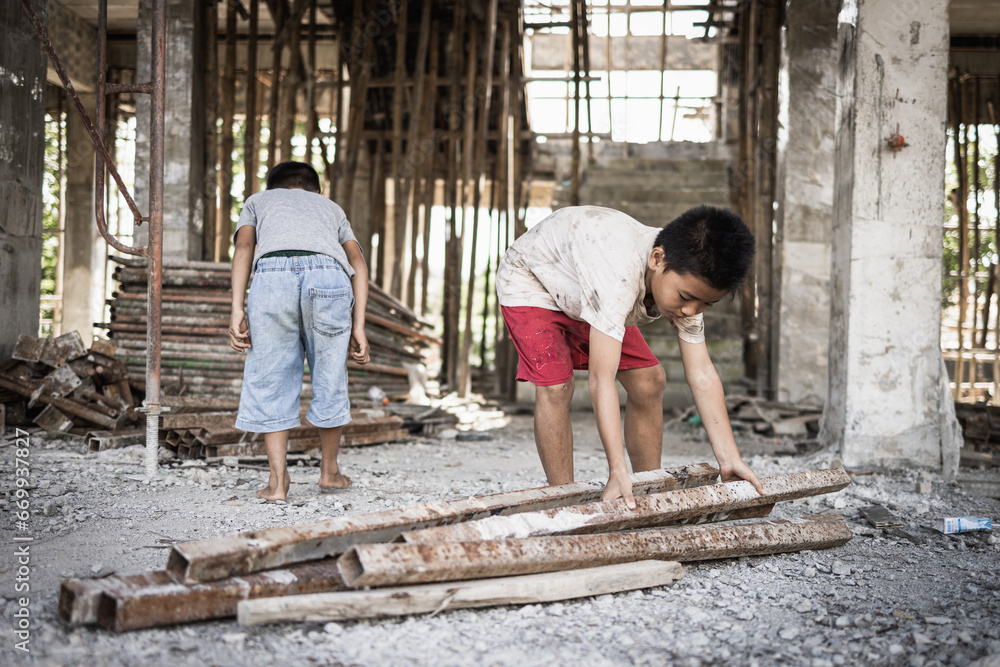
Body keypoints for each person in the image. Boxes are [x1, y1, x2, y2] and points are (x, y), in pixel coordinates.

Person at [496, 205, 764, 508]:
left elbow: (702, 373)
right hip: (533, 280)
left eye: (706, 304)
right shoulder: (617, 275)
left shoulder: (689, 289)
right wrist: (616, 469)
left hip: (586, 288)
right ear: (657, 259)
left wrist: (730, 459)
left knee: (650, 381)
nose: (691, 311)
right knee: (556, 386)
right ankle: (565, 502)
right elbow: (601, 379)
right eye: (686, 298)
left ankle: (647, 490)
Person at [229, 161, 370, 502]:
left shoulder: (258, 200)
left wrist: (236, 307)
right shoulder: (331, 208)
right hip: (329, 277)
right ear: (314, 190)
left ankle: (277, 484)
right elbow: (358, 265)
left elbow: (244, 248)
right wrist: (360, 324)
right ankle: (330, 472)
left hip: (271, 276)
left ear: (273, 186)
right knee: (330, 374)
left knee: (271, 377)